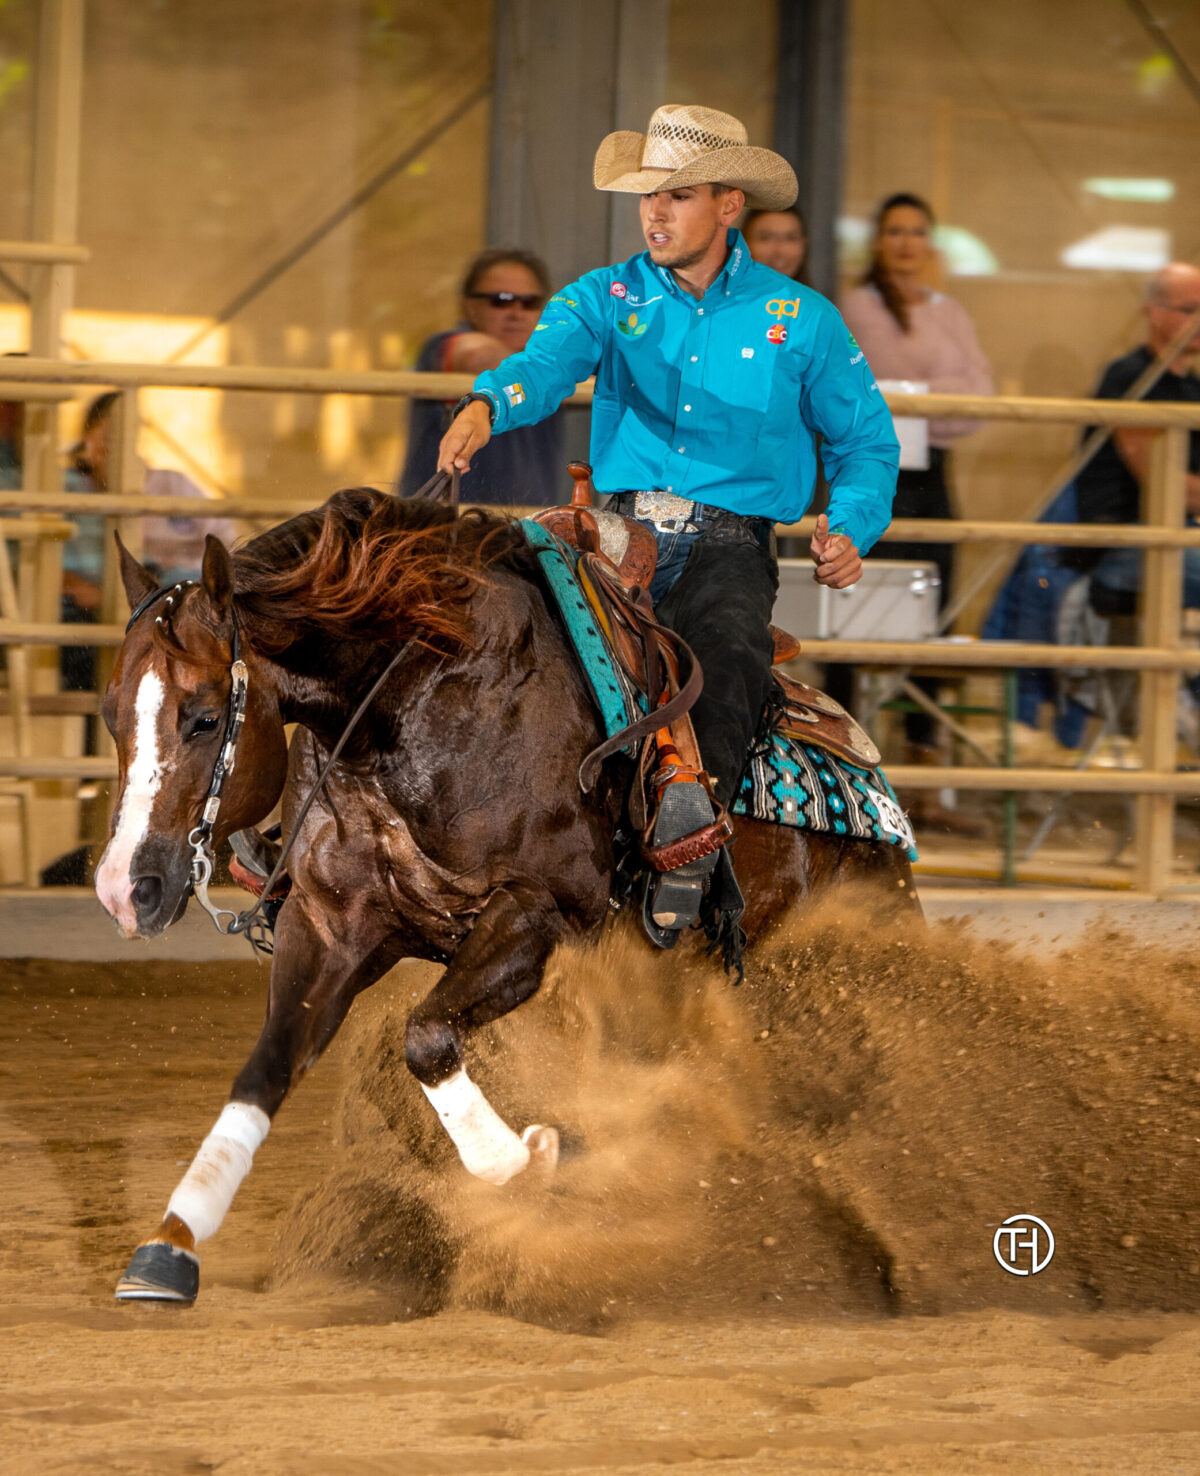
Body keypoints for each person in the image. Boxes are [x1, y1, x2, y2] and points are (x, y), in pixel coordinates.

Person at [437, 103, 898, 932]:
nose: (655, 210)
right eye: (649, 194)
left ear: (729, 206)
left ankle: (688, 865)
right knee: (498, 635)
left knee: (721, 670)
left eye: (679, 195)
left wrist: (850, 527)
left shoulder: (804, 321)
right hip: (619, 535)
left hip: (730, 544)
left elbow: (866, 442)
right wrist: (489, 404)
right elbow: (544, 366)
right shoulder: (603, 298)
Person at [842, 191, 993, 833]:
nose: (906, 242)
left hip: (935, 477)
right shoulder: (856, 306)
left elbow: (978, 394)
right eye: (895, 230)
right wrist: (926, 395)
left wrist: (911, 394)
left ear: (930, 244)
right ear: (879, 240)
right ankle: (846, 775)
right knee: (851, 618)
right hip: (869, 471)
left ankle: (924, 781)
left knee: (932, 618)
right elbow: (856, 385)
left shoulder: (950, 310)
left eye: (917, 232)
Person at [1072, 261, 1200, 612]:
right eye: (1191, 310)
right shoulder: (1128, 377)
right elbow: (1161, 480)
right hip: (1125, 543)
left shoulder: (1193, 387)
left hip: (1180, 537)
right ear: (1154, 313)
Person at [397, 248, 564, 505]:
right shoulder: (442, 346)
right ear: (470, 307)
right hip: (445, 530)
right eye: (501, 300)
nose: (516, 313)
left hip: (527, 532)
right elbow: (478, 355)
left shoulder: (550, 360)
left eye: (529, 302)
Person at [742, 204, 808, 284]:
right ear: (744, 242)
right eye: (766, 238)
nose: (780, 250)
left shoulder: (813, 296)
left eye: (790, 238)